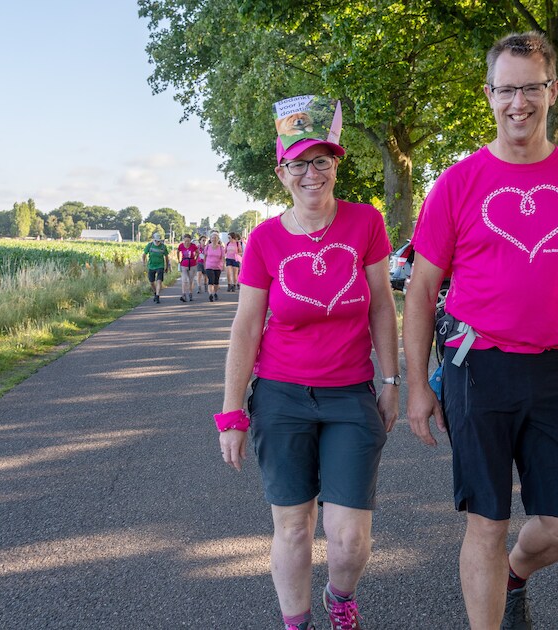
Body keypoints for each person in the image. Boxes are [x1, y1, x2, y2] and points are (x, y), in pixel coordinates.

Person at [402, 32, 558, 630]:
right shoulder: (456, 183)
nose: (519, 103)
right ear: (488, 94)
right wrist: (417, 385)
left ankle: (515, 574)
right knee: (487, 521)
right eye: (506, 90)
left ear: (552, 90)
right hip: (476, 366)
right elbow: (422, 290)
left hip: (554, 368)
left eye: (531, 88)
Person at [218, 94, 399, 630]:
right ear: (282, 174)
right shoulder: (264, 240)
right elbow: (247, 326)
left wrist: (391, 380)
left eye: (321, 160)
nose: (311, 173)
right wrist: (232, 412)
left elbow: (382, 306)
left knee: (349, 540)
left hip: (350, 395)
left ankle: (340, 596)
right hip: (281, 397)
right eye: (298, 164)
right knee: (294, 527)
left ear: (337, 164)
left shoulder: (366, 223)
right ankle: (296, 622)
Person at [143, 232, 170, 304]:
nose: (157, 242)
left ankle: (157, 295)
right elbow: (144, 254)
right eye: (156, 241)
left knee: (159, 280)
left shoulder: (163, 247)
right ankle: (155, 292)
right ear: (153, 240)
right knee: (151, 282)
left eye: (159, 241)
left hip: (160, 266)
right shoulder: (149, 245)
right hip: (151, 266)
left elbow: (166, 257)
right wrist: (144, 263)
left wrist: (167, 267)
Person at [202, 231, 227, 301]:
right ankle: (210, 294)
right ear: (210, 239)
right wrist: (204, 265)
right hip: (209, 266)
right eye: (213, 238)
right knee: (211, 281)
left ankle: (215, 293)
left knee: (216, 282)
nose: (214, 239)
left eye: (215, 238)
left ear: (218, 239)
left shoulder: (221, 248)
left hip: (218, 267)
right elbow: (205, 256)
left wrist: (224, 265)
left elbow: (223, 257)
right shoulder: (207, 247)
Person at [177, 234, 199, 302]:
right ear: (183, 240)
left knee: (191, 280)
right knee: (184, 280)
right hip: (184, 264)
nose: (187, 242)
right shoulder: (181, 245)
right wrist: (179, 260)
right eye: (185, 241)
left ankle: (190, 293)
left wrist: (196, 259)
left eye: (188, 241)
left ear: (190, 240)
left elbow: (197, 252)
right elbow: (178, 252)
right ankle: (183, 294)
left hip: (192, 265)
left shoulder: (193, 246)